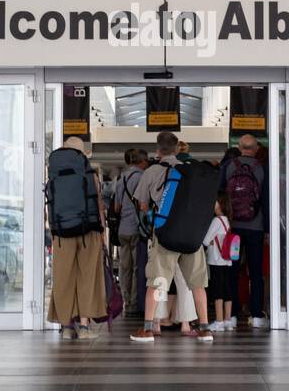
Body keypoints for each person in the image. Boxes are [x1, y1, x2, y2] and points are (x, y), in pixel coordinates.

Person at [130, 130, 212, 344]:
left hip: (166, 233)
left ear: (158, 150)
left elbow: (142, 204)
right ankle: (204, 329)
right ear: (177, 149)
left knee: (157, 281)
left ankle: (148, 329)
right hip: (191, 234)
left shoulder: (151, 171)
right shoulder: (189, 170)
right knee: (197, 283)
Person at [47, 136, 107, 341]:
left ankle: (66, 327)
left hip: (61, 232)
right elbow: (99, 205)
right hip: (88, 231)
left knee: (63, 277)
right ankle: (83, 326)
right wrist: (102, 232)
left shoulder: (54, 174)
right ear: (82, 155)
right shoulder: (90, 174)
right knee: (87, 277)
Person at [222, 133, 268, 326]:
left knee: (231, 271)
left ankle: (231, 315)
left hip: (233, 229)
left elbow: (220, 196)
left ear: (239, 148)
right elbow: (266, 200)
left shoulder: (228, 167)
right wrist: (267, 228)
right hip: (256, 228)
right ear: (256, 149)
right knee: (255, 272)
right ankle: (256, 316)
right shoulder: (263, 168)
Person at [113, 148, 145, 316]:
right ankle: (134, 302)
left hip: (122, 230)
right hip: (136, 228)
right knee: (137, 267)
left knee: (125, 267)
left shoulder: (121, 179)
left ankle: (126, 300)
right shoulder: (142, 177)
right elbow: (143, 205)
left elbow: (116, 208)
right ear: (141, 161)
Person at [203, 192, 237, 333]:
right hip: (227, 260)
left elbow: (205, 240)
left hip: (216, 260)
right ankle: (228, 321)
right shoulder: (227, 220)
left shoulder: (216, 221)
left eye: (215, 201)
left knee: (217, 290)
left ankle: (219, 321)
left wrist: (210, 241)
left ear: (220, 204)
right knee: (227, 289)